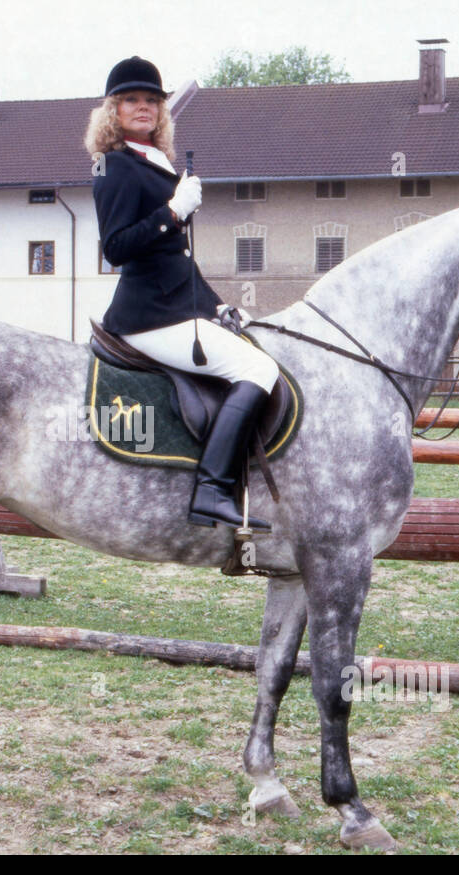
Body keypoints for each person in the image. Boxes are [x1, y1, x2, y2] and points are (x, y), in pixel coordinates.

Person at [85, 55, 280, 533]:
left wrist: (217, 305)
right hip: (147, 316)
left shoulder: (157, 163)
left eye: (152, 99)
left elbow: (178, 260)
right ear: (114, 109)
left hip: (177, 306)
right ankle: (211, 491)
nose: (144, 107)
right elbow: (116, 248)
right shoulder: (113, 166)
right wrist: (172, 212)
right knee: (258, 368)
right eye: (132, 99)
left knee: (256, 352)